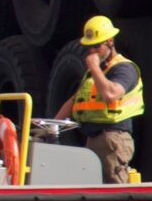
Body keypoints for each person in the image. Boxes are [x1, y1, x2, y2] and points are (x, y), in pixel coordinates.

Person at [55, 15, 143, 184]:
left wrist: (94, 67)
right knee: (94, 189)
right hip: (94, 139)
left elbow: (111, 95)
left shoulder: (124, 68)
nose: (92, 52)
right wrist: (51, 125)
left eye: (96, 46)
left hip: (113, 139)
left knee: (113, 189)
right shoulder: (95, 74)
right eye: (89, 48)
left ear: (110, 42)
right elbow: (74, 100)